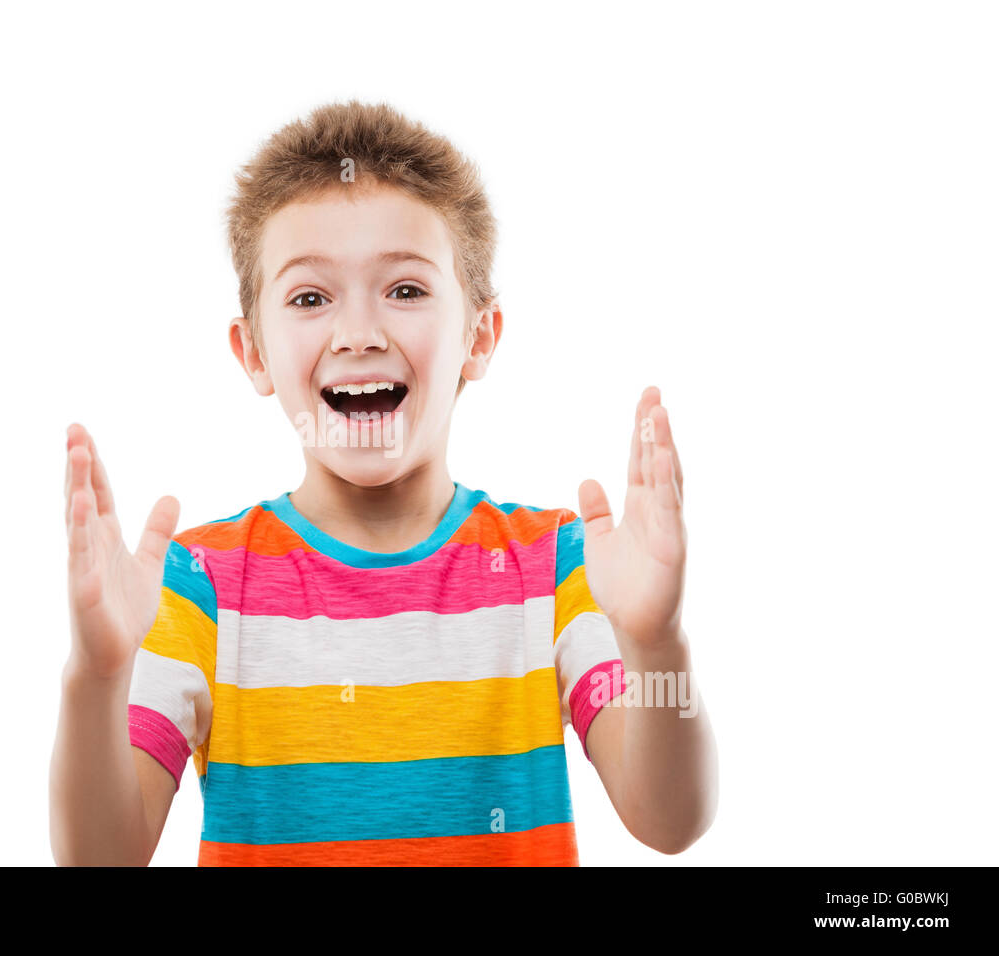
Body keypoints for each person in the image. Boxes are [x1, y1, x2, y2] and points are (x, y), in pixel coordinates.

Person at [50, 100, 717, 866]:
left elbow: (671, 822)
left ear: (480, 334)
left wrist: (656, 641)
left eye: (404, 290)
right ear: (254, 353)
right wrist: (97, 677)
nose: (359, 332)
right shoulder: (199, 583)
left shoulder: (556, 566)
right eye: (309, 297)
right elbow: (101, 856)